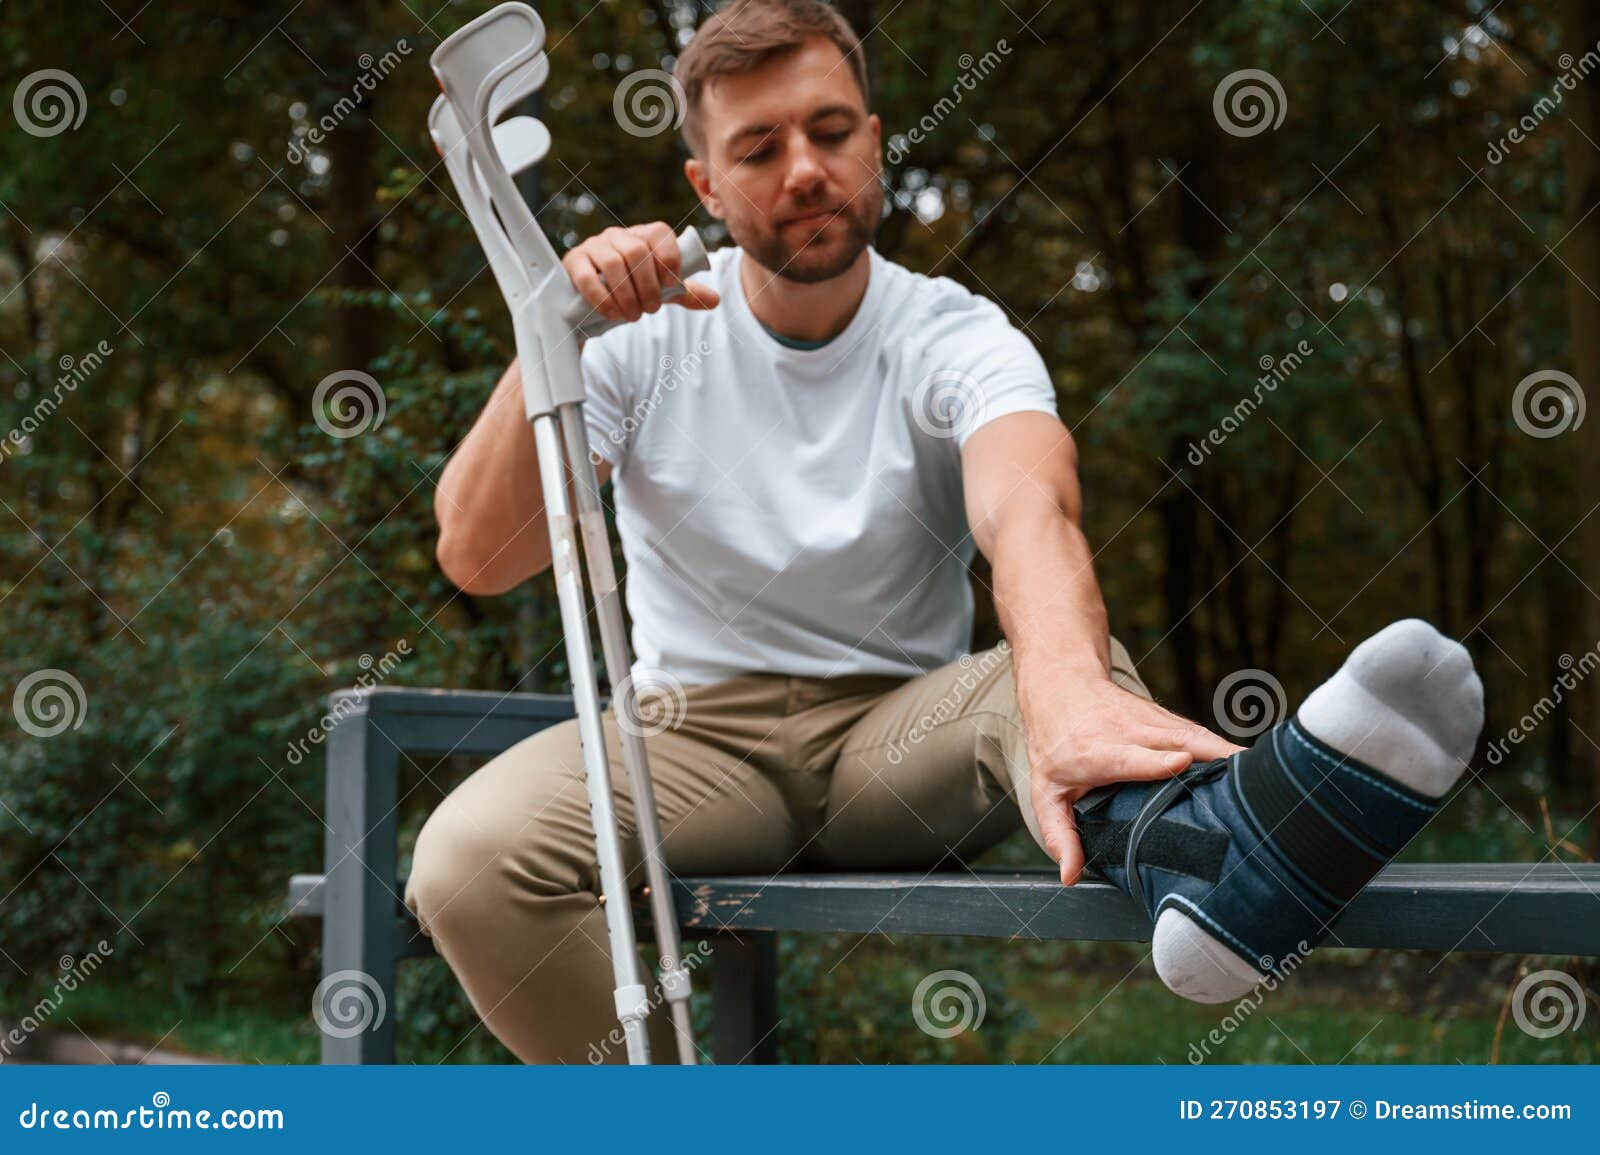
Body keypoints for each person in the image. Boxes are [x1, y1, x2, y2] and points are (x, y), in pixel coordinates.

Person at [408, 0, 1481, 1063]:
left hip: (898, 742)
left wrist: (1064, 691)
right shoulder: (635, 341)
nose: (803, 171)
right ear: (705, 185)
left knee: (1054, 671)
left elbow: (1028, 509)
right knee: (462, 862)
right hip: (692, 740)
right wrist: (547, 330)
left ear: (874, 143)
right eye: (758, 147)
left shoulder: (953, 333)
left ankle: (1213, 861)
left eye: (830, 131)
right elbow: (482, 556)